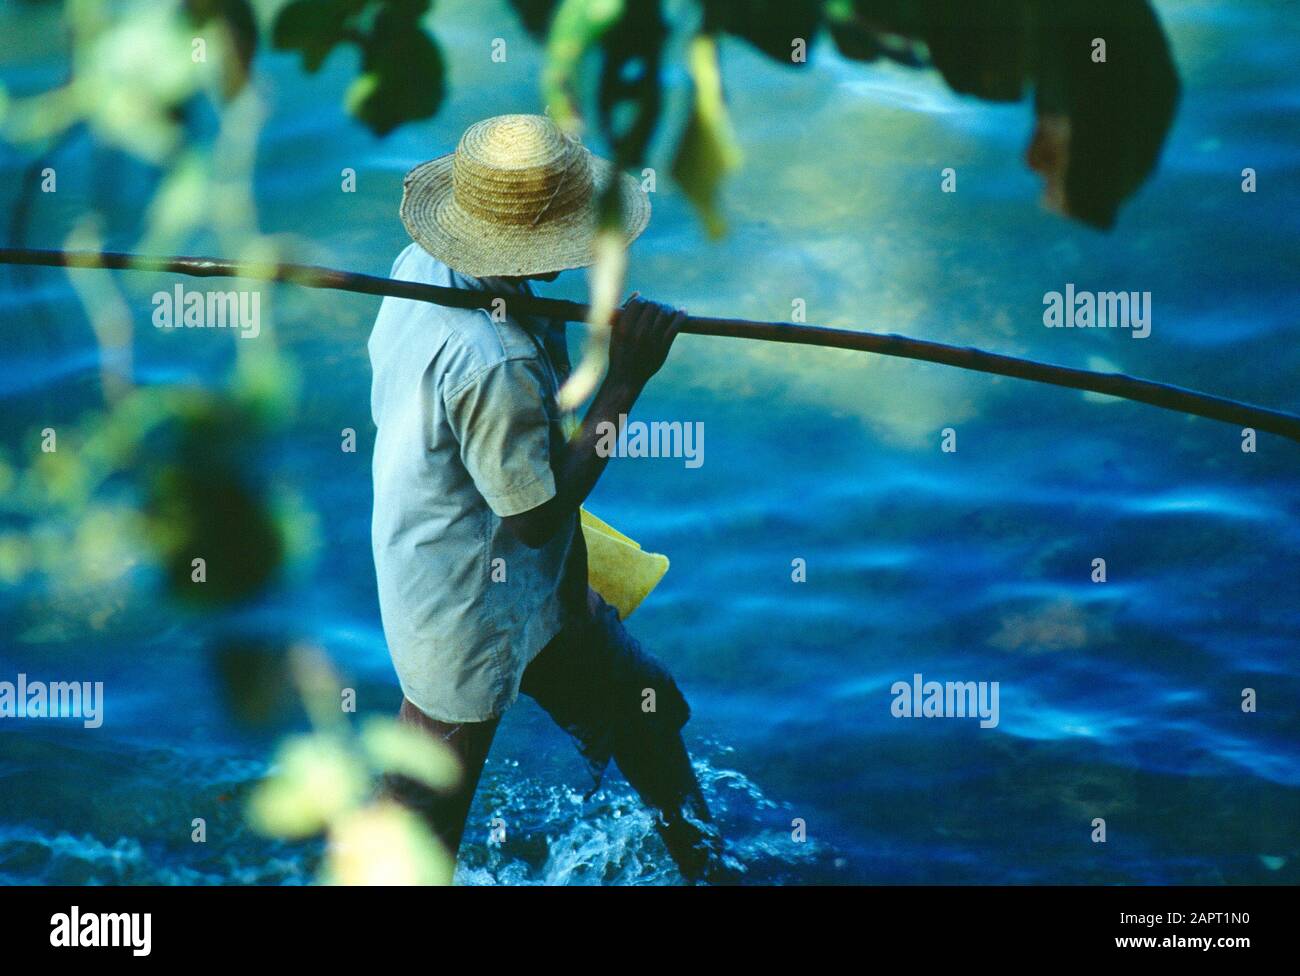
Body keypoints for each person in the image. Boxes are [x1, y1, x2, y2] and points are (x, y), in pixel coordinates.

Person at [368, 113, 736, 883]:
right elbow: (535, 518)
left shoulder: (420, 264)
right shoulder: (490, 360)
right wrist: (625, 383)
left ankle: (706, 865)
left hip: (527, 584)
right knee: (421, 821)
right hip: (467, 607)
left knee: (642, 705)